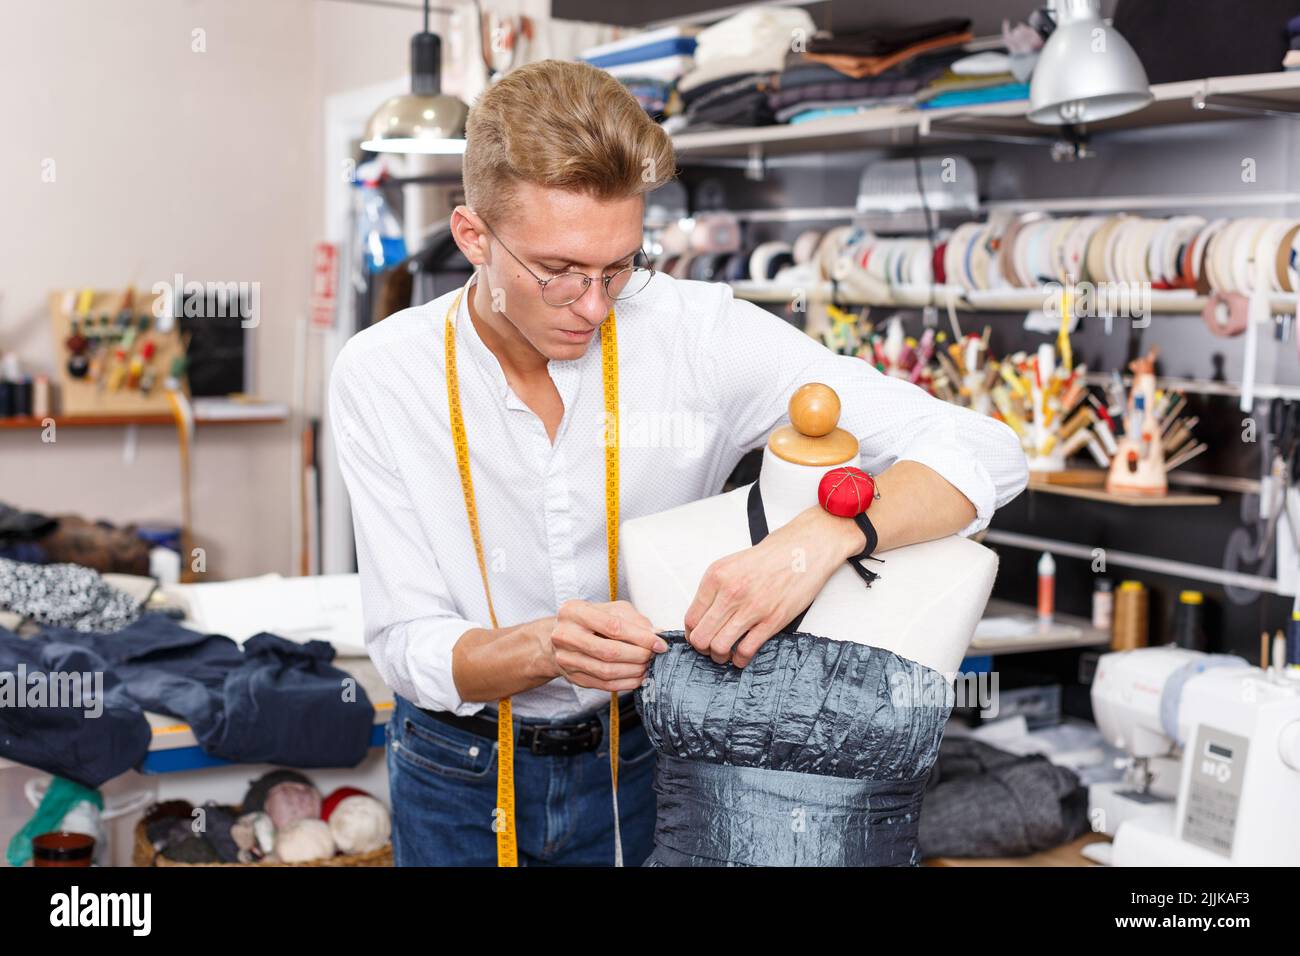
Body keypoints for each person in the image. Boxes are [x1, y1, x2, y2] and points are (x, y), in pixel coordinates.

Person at [328, 58, 1028, 866]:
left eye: (619, 267)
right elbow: (407, 641)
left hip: (647, 756)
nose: (593, 305)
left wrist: (815, 542)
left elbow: (986, 451)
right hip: (459, 770)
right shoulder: (383, 374)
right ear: (473, 237)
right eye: (558, 272)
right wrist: (546, 649)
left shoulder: (697, 334)